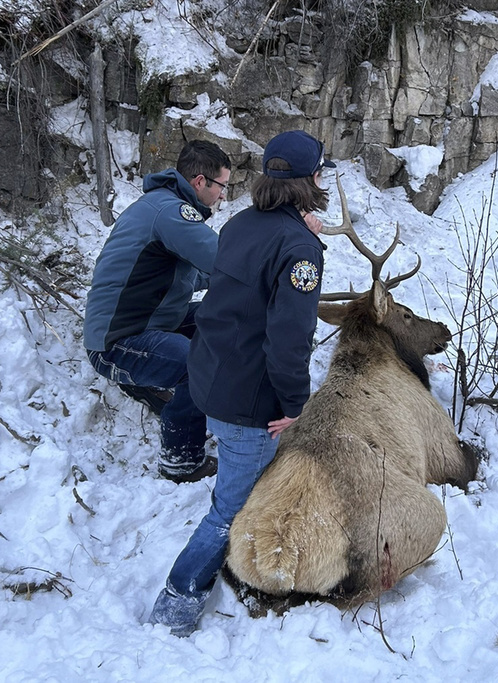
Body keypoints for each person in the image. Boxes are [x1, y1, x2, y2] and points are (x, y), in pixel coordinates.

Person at [148, 130, 335, 636]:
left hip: (213, 381)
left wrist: (302, 237)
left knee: (237, 489)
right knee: (228, 510)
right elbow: (288, 341)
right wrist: (296, 403)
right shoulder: (299, 249)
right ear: (310, 180)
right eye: (321, 171)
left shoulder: (242, 224)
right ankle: (177, 600)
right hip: (250, 405)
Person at [83, 139, 232, 483]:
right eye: (222, 186)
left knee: (222, 317)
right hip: (117, 342)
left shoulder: (163, 206)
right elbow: (225, 261)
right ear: (200, 182)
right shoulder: (171, 213)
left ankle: (162, 390)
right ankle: (181, 462)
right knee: (196, 363)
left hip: (152, 321)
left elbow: (194, 276)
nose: (224, 195)